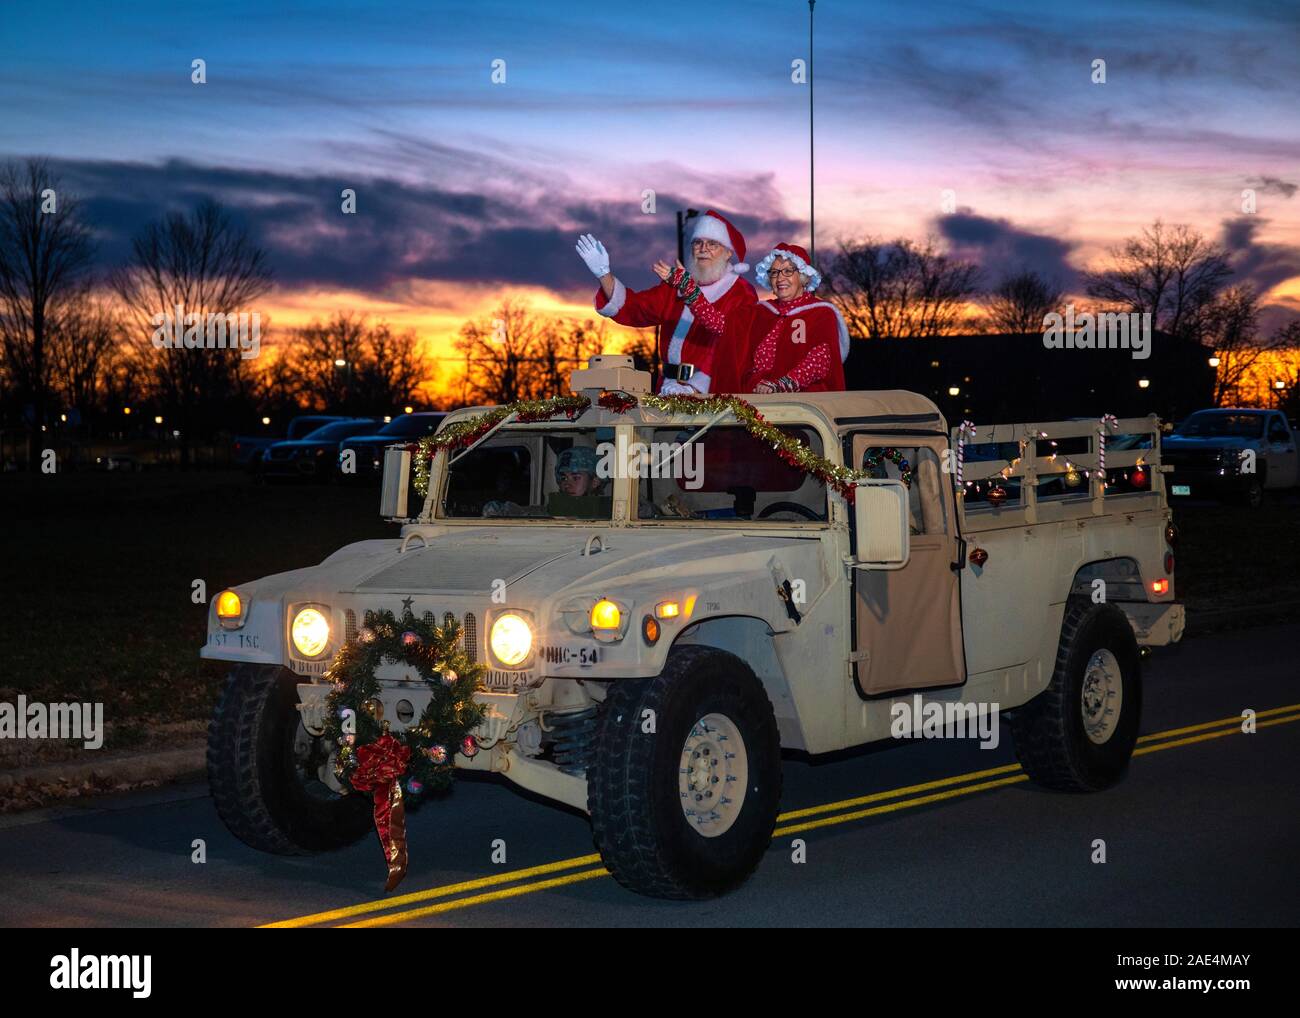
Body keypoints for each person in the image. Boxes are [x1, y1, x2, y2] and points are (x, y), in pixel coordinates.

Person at [574, 210, 756, 394]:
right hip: (667, 389)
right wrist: (604, 274)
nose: (703, 249)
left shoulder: (741, 293)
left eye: (713, 244)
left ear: (728, 253)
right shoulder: (674, 287)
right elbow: (633, 308)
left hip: (714, 392)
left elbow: (733, 344)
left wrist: (696, 386)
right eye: (697, 242)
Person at [654, 242, 848, 393]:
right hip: (756, 406)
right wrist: (689, 290)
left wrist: (782, 384)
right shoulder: (760, 312)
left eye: (788, 271)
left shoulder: (821, 312)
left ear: (803, 277)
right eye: (774, 272)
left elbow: (820, 360)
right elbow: (720, 325)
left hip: (803, 412)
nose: (780, 278)